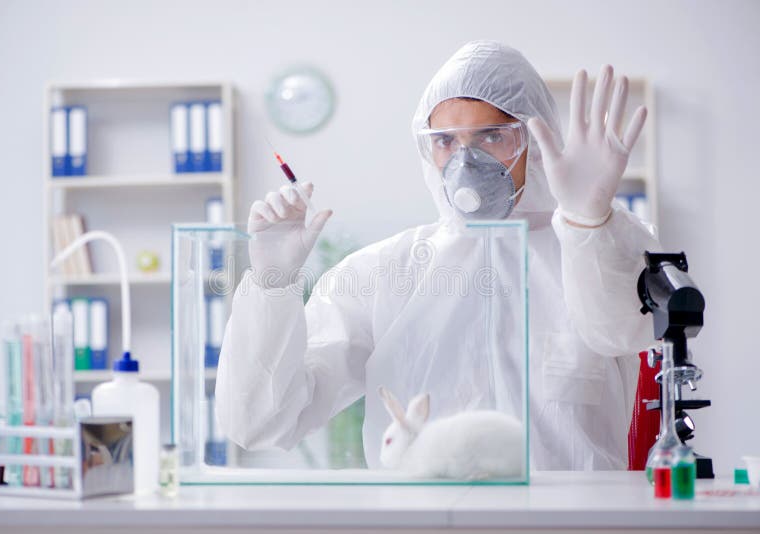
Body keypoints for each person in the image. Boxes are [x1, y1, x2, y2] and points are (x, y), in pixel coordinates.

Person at [215, 40, 660, 470]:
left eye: (491, 136)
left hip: (568, 523)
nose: (465, 160)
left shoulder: (592, 246)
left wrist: (589, 222)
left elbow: (625, 332)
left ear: (536, 141)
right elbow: (262, 422)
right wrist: (271, 283)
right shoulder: (386, 272)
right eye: (446, 140)